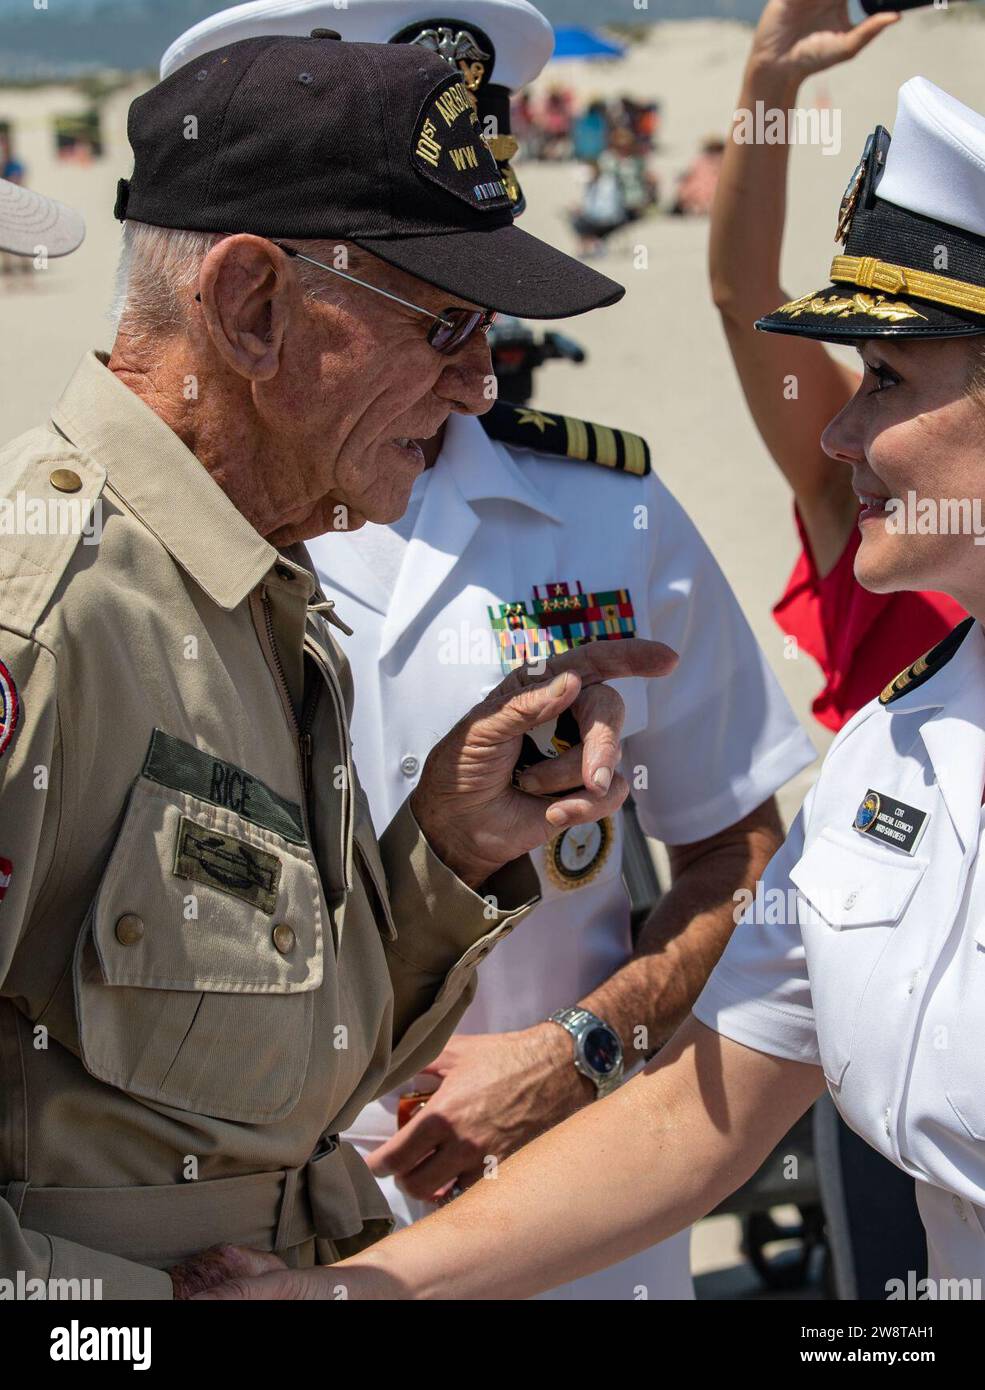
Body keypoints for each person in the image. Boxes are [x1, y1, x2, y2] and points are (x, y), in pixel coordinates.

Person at [199, 75, 985, 1302]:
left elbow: (724, 854)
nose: (833, 433)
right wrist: (347, 1293)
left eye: (883, 378)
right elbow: (694, 1116)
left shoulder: (612, 516)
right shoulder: (894, 758)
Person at [0, 32, 677, 1301]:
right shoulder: (43, 612)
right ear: (253, 308)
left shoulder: (246, 578)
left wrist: (445, 852)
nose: (482, 384)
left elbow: (264, 1068)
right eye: (449, 323)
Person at [709, 0, 965, 734]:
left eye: (885, 377)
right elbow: (742, 298)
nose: (836, 435)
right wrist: (769, 83)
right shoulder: (883, 559)